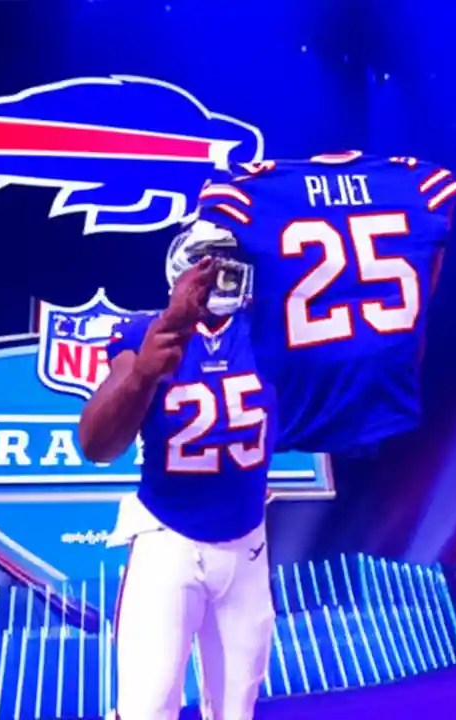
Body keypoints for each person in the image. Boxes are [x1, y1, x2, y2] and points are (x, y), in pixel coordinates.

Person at [79, 221, 277, 720]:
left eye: (229, 263)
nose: (219, 276)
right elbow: (97, 444)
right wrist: (145, 372)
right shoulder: (145, 332)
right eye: (206, 263)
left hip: (247, 543)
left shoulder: (272, 333)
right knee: (147, 705)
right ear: (181, 269)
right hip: (168, 539)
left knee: (237, 709)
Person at [196, 152, 456, 455]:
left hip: (293, 396)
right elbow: (431, 275)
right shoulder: (419, 183)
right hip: (385, 391)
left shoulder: (244, 190)